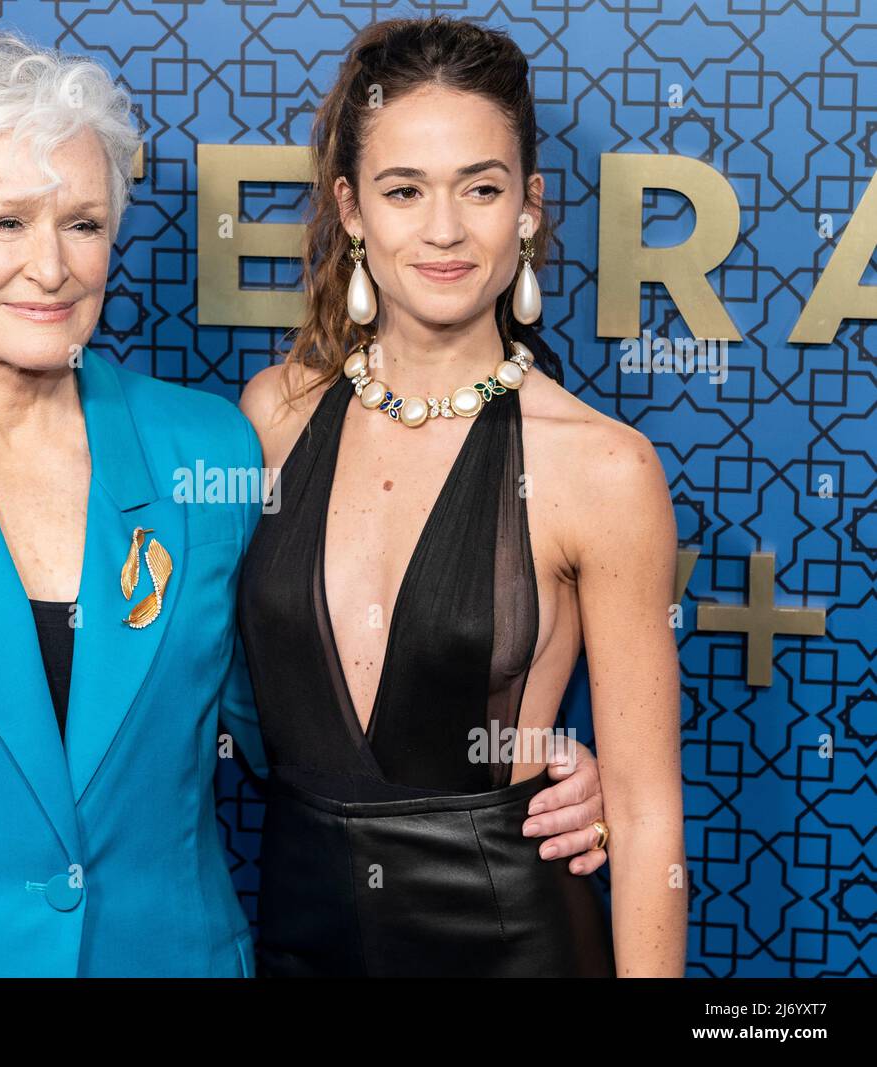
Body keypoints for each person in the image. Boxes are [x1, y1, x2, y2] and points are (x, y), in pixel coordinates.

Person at [0, 24, 612, 979]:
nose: (52, 266)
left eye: (84, 223)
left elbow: (296, 721)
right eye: (6, 222)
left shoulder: (203, 448)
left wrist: (511, 781)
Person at [237, 16, 686, 977]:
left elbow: (646, 818)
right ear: (352, 209)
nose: (445, 231)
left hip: (510, 937)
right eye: (405, 191)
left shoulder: (601, 467)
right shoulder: (274, 415)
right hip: (297, 933)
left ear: (526, 207)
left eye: (480, 189)